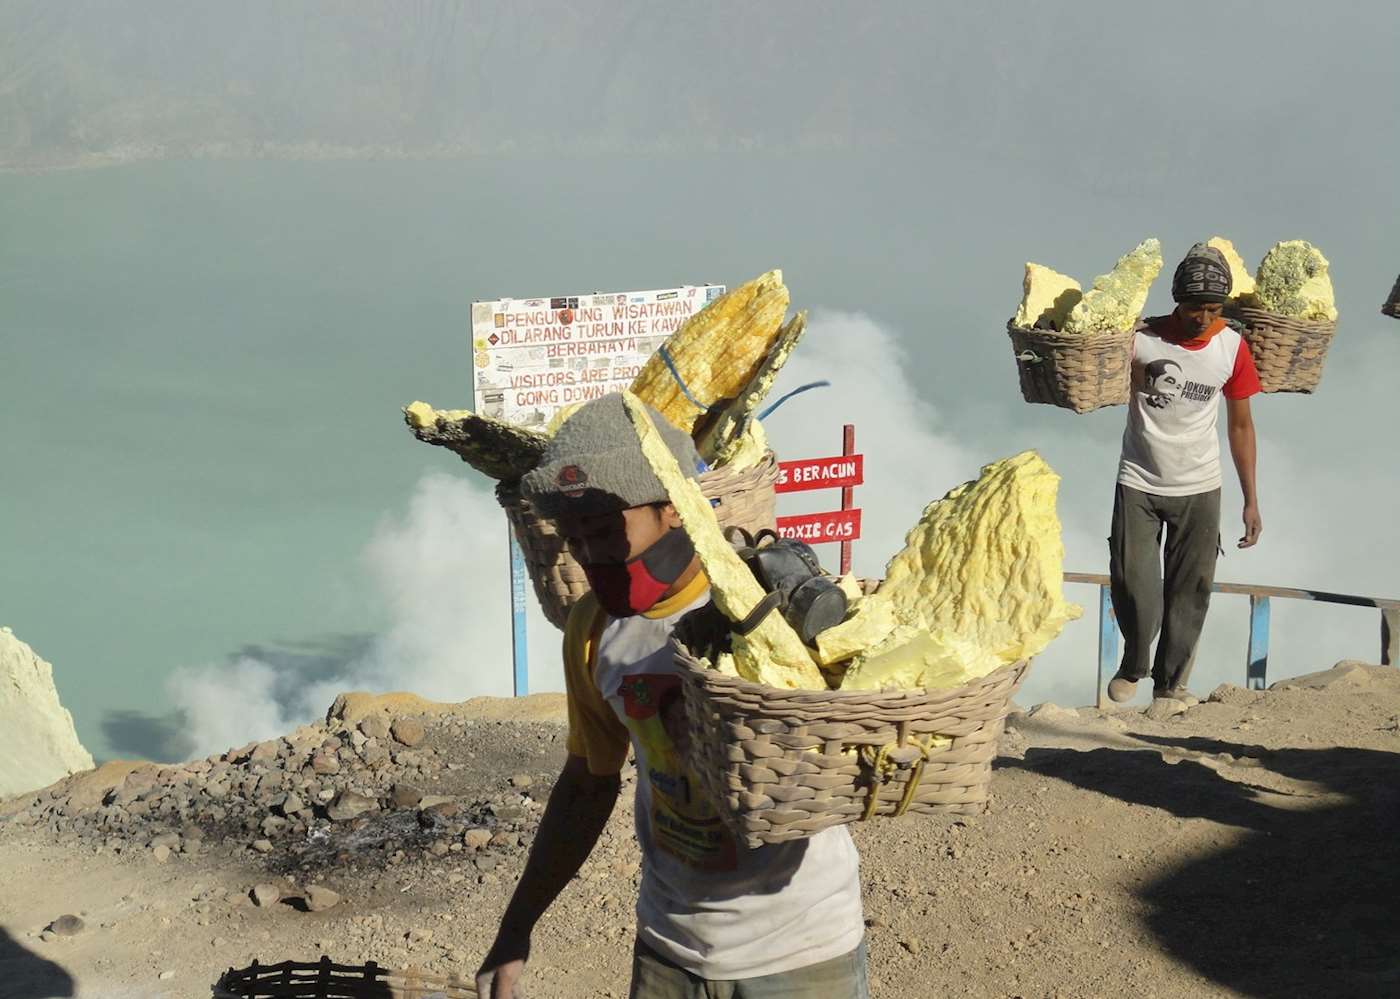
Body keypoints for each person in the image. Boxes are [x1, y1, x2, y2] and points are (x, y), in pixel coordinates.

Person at [476, 393, 868, 998]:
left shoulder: (767, 605)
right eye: (574, 534)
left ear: (675, 509)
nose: (588, 553)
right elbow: (587, 782)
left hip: (800, 950)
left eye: (605, 529)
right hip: (669, 950)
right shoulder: (592, 627)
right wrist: (516, 929)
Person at [1107, 243, 1263, 705]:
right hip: (1139, 478)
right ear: (1178, 301)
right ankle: (1134, 663)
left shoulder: (1231, 347)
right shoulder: (1142, 339)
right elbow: (1102, 376)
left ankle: (1171, 685)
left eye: (1214, 309)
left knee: (1191, 589)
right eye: (1196, 307)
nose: (1204, 317)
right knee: (1133, 581)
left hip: (1199, 484)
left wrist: (1250, 498)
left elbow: (1240, 424)